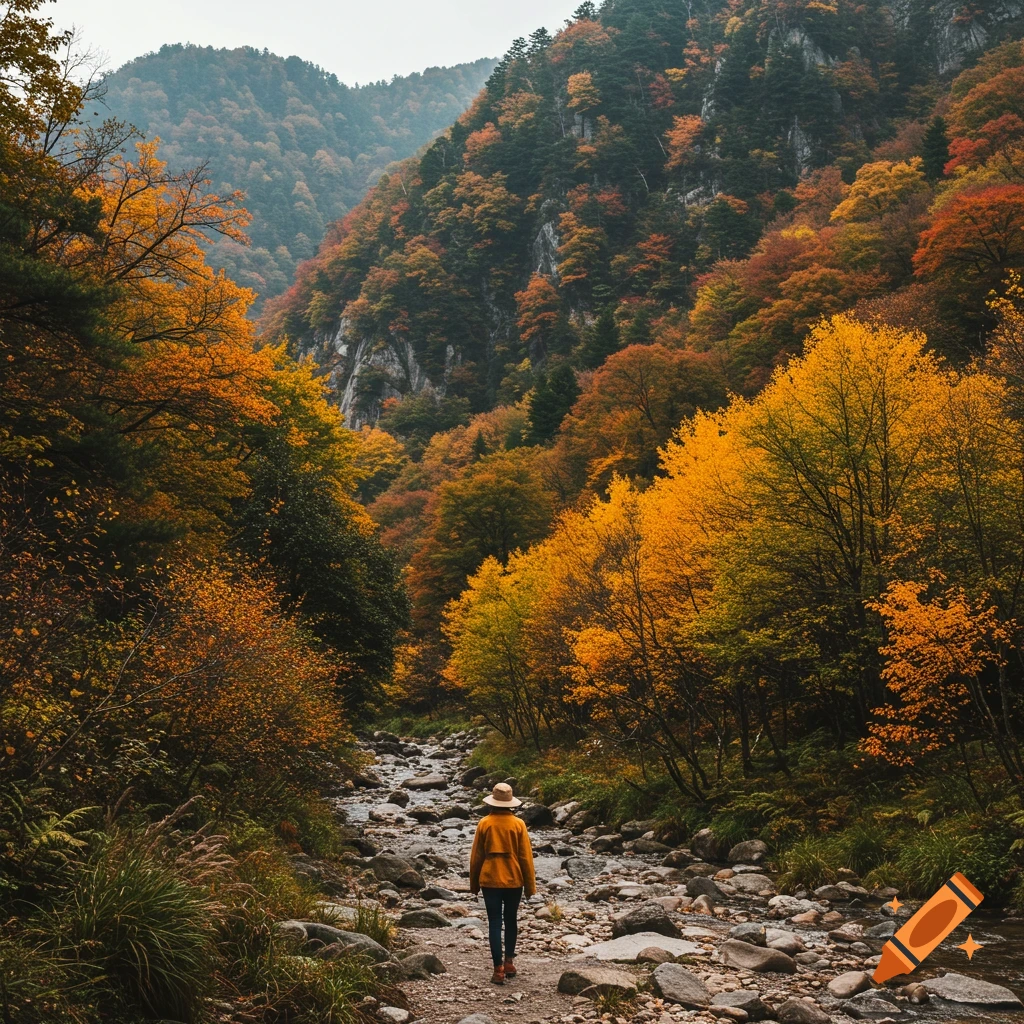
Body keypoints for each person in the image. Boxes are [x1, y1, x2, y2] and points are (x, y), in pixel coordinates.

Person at [469, 782, 536, 985]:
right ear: (510, 803)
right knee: (511, 920)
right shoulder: (518, 824)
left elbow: (476, 857)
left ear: (492, 802)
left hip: (490, 878)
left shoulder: (484, 823)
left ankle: (498, 969)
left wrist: (474, 884)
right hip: (514, 878)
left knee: (495, 922)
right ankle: (509, 962)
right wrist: (530, 886)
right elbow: (525, 857)